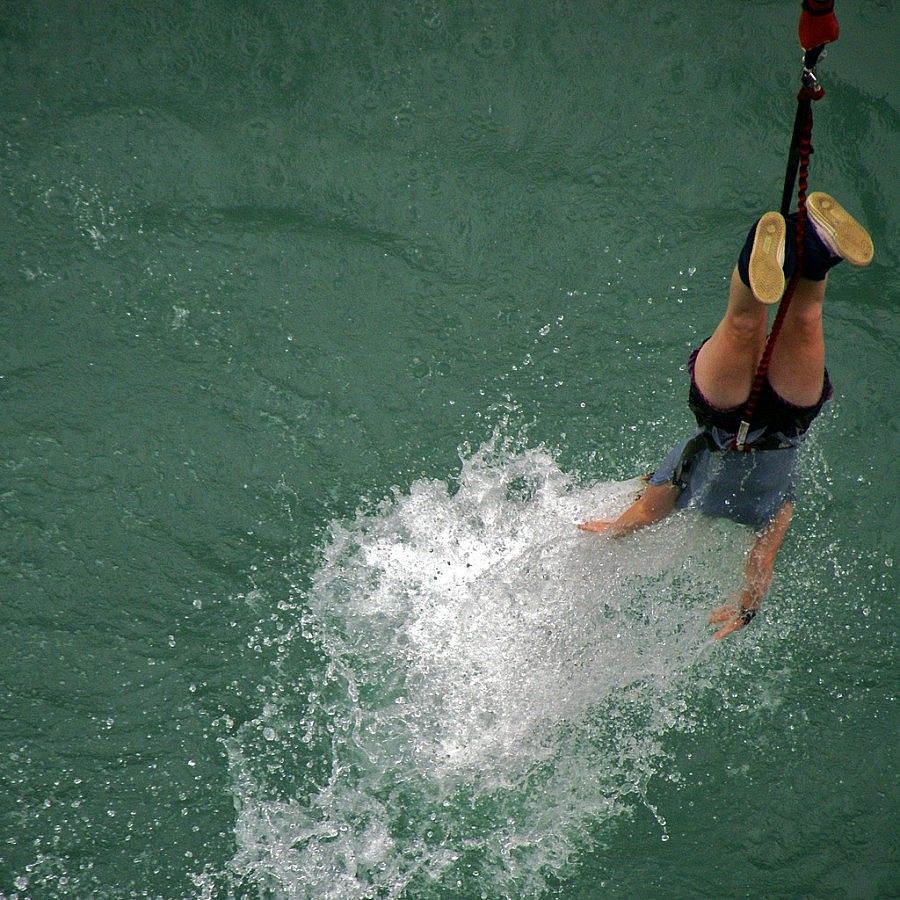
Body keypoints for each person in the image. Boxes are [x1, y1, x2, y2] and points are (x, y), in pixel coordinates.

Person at [579, 191, 874, 639]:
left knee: (770, 320)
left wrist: (602, 537)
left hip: (753, 424)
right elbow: (757, 561)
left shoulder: (698, 489)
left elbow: (644, 519)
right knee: (771, 321)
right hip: (766, 423)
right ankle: (813, 243)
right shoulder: (751, 504)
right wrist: (608, 533)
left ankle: (786, 244)